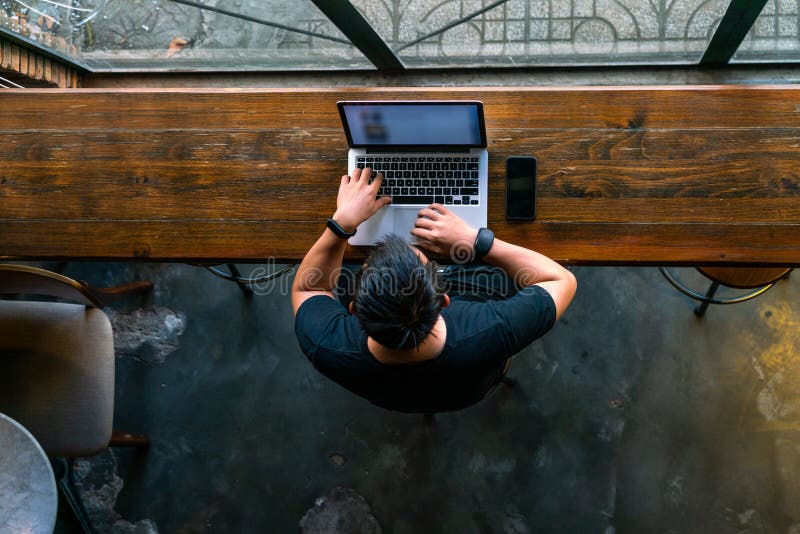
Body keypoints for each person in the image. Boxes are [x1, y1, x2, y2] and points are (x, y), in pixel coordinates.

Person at [292, 168, 576, 413]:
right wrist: (476, 241)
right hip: (472, 390)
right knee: (489, 277)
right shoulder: (494, 330)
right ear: (444, 300)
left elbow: (309, 287)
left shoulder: (326, 345)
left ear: (353, 310)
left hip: (394, 398)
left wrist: (341, 224)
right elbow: (561, 280)